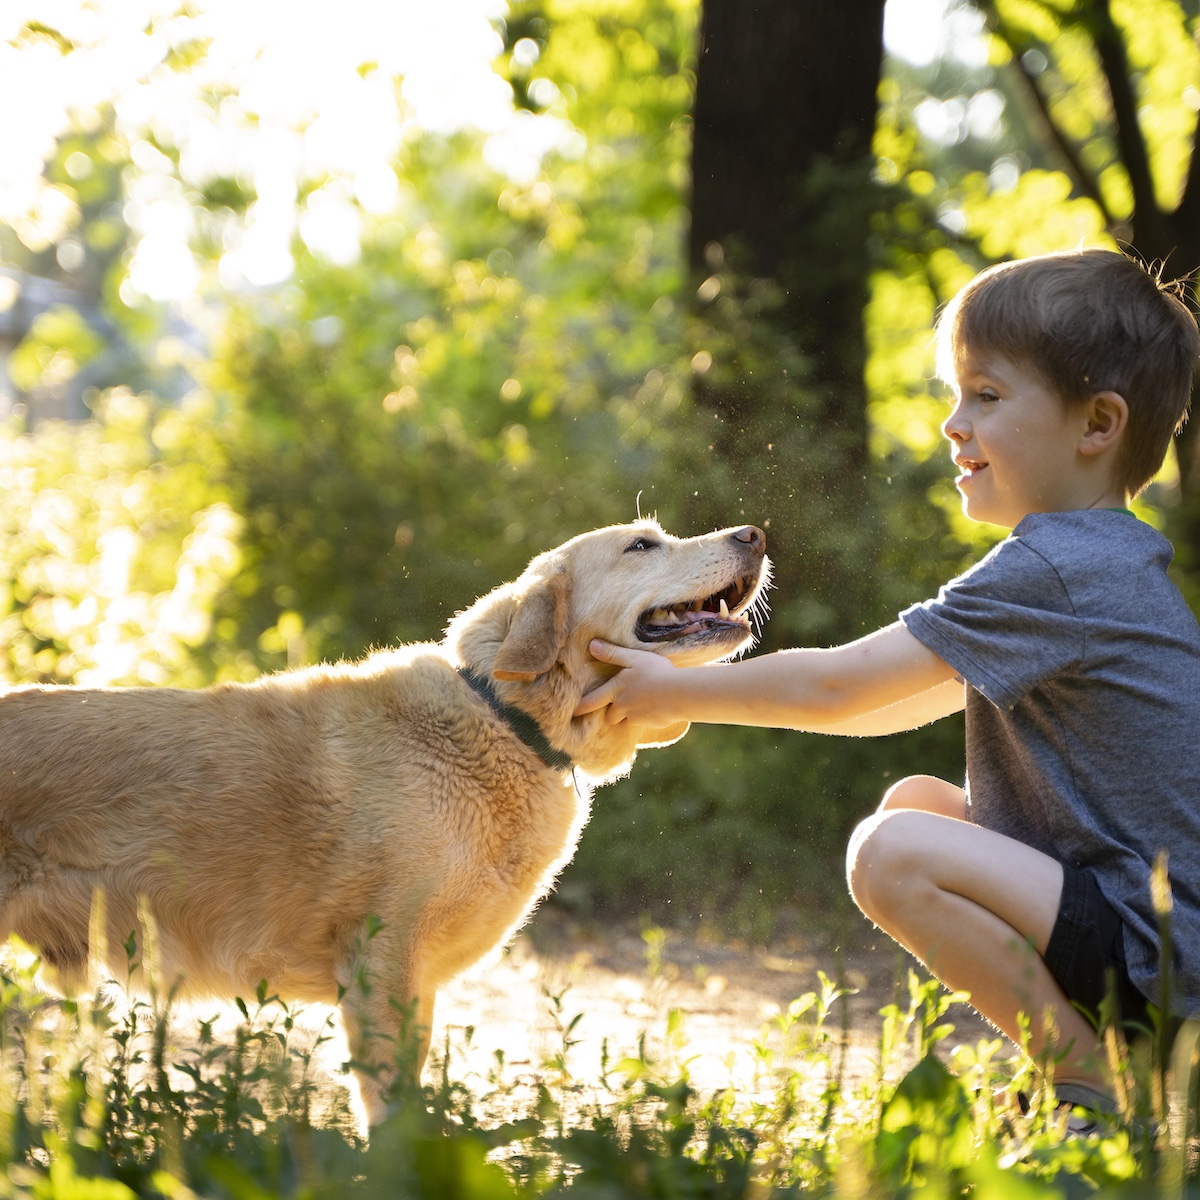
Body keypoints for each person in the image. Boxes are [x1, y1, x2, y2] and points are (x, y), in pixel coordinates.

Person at [574, 249, 1200, 1111]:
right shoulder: (1098, 564)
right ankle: (1098, 1059)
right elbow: (880, 708)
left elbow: (839, 685)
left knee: (890, 853)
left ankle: (1090, 1078)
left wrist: (675, 690)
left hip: (1158, 962)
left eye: (986, 395)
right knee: (915, 804)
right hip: (1144, 940)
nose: (954, 423)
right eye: (956, 395)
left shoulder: (1056, 568)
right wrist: (705, 700)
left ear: (1096, 424)